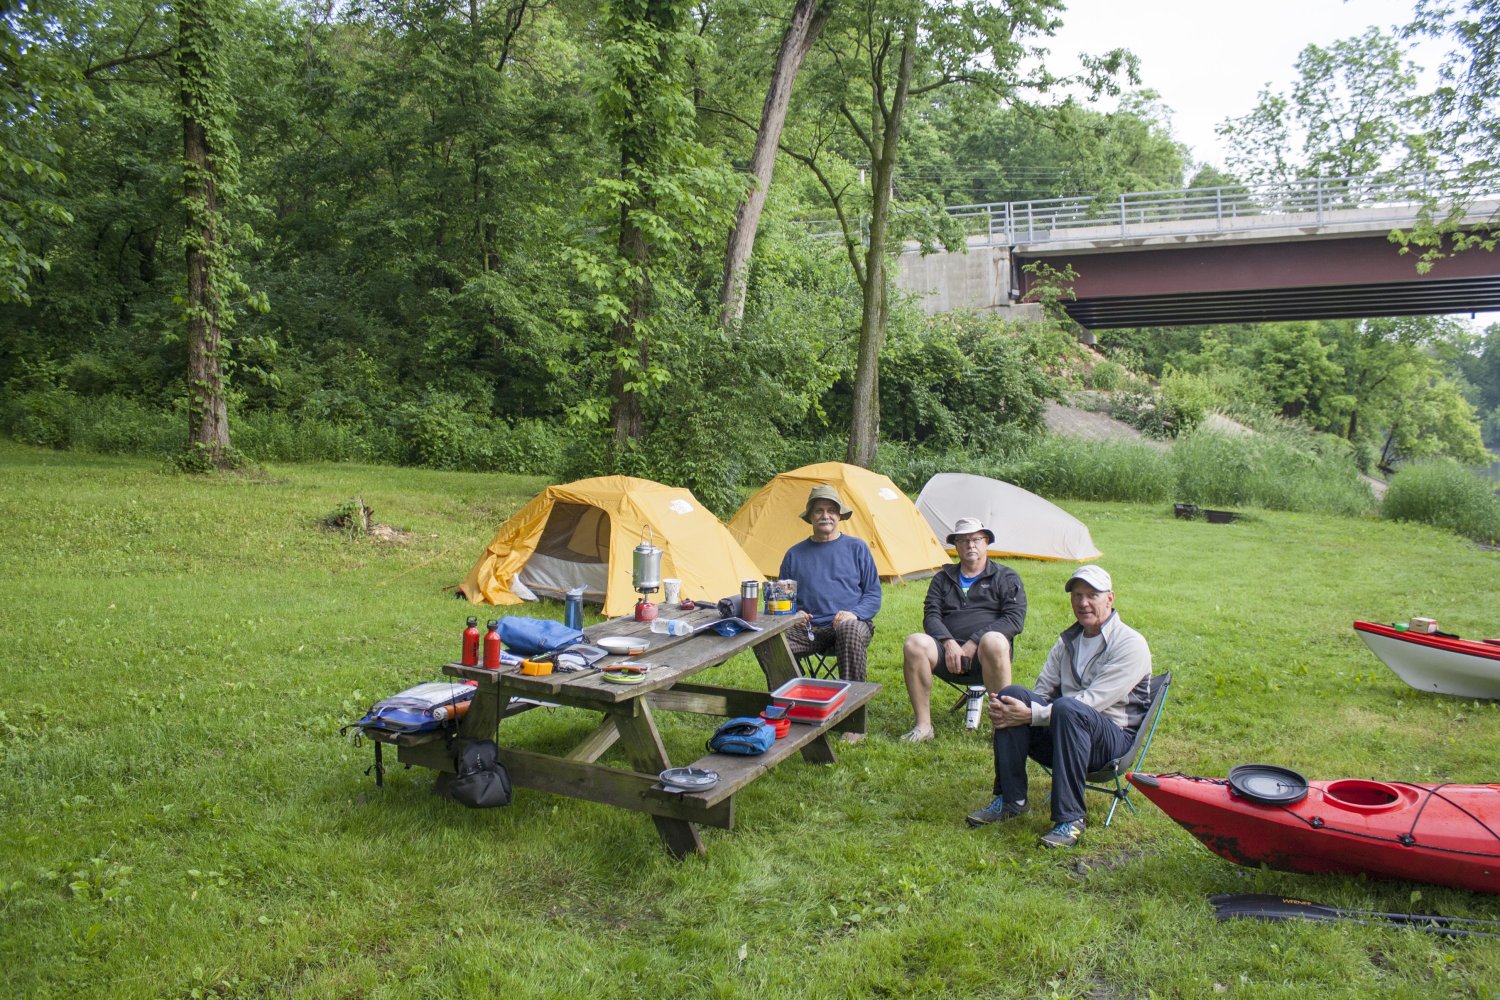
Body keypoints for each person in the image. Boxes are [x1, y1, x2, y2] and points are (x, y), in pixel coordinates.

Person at [966, 564, 1151, 849]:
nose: (1083, 603)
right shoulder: (1068, 641)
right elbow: (1041, 691)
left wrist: (1032, 715)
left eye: (1092, 595)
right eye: (1077, 595)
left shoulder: (1131, 644)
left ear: (1110, 598)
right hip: (1064, 731)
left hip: (1111, 740)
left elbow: (1093, 702)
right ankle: (1011, 799)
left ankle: (1071, 819)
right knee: (1011, 694)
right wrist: (1021, 709)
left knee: (1067, 707)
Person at [899, 517, 1026, 743]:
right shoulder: (942, 579)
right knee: (915, 643)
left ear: (986, 542)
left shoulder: (1006, 577)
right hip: (947, 657)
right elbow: (931, 615)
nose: (971, 545)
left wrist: (974, 642)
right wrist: (948, 643)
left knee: (994, 640)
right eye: (964, 540)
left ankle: (1002, 729)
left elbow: (1014, 619)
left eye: (976, 539)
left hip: (988, 656)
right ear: (956, 546)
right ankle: (924, 726)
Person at [778, 485, 881, 694]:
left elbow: (873, 594)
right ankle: (794, 700)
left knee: (849, 629)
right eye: (819, 510)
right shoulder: (794, 555)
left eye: (831, 510)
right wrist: (793, 614)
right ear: (811, 516)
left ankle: (852, 713)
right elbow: (781, 600)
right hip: (807, 629)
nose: (826, 516)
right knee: (769, 641)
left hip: (850, 625)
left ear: (839, 516)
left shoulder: (857, 548)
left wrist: (854, 614)